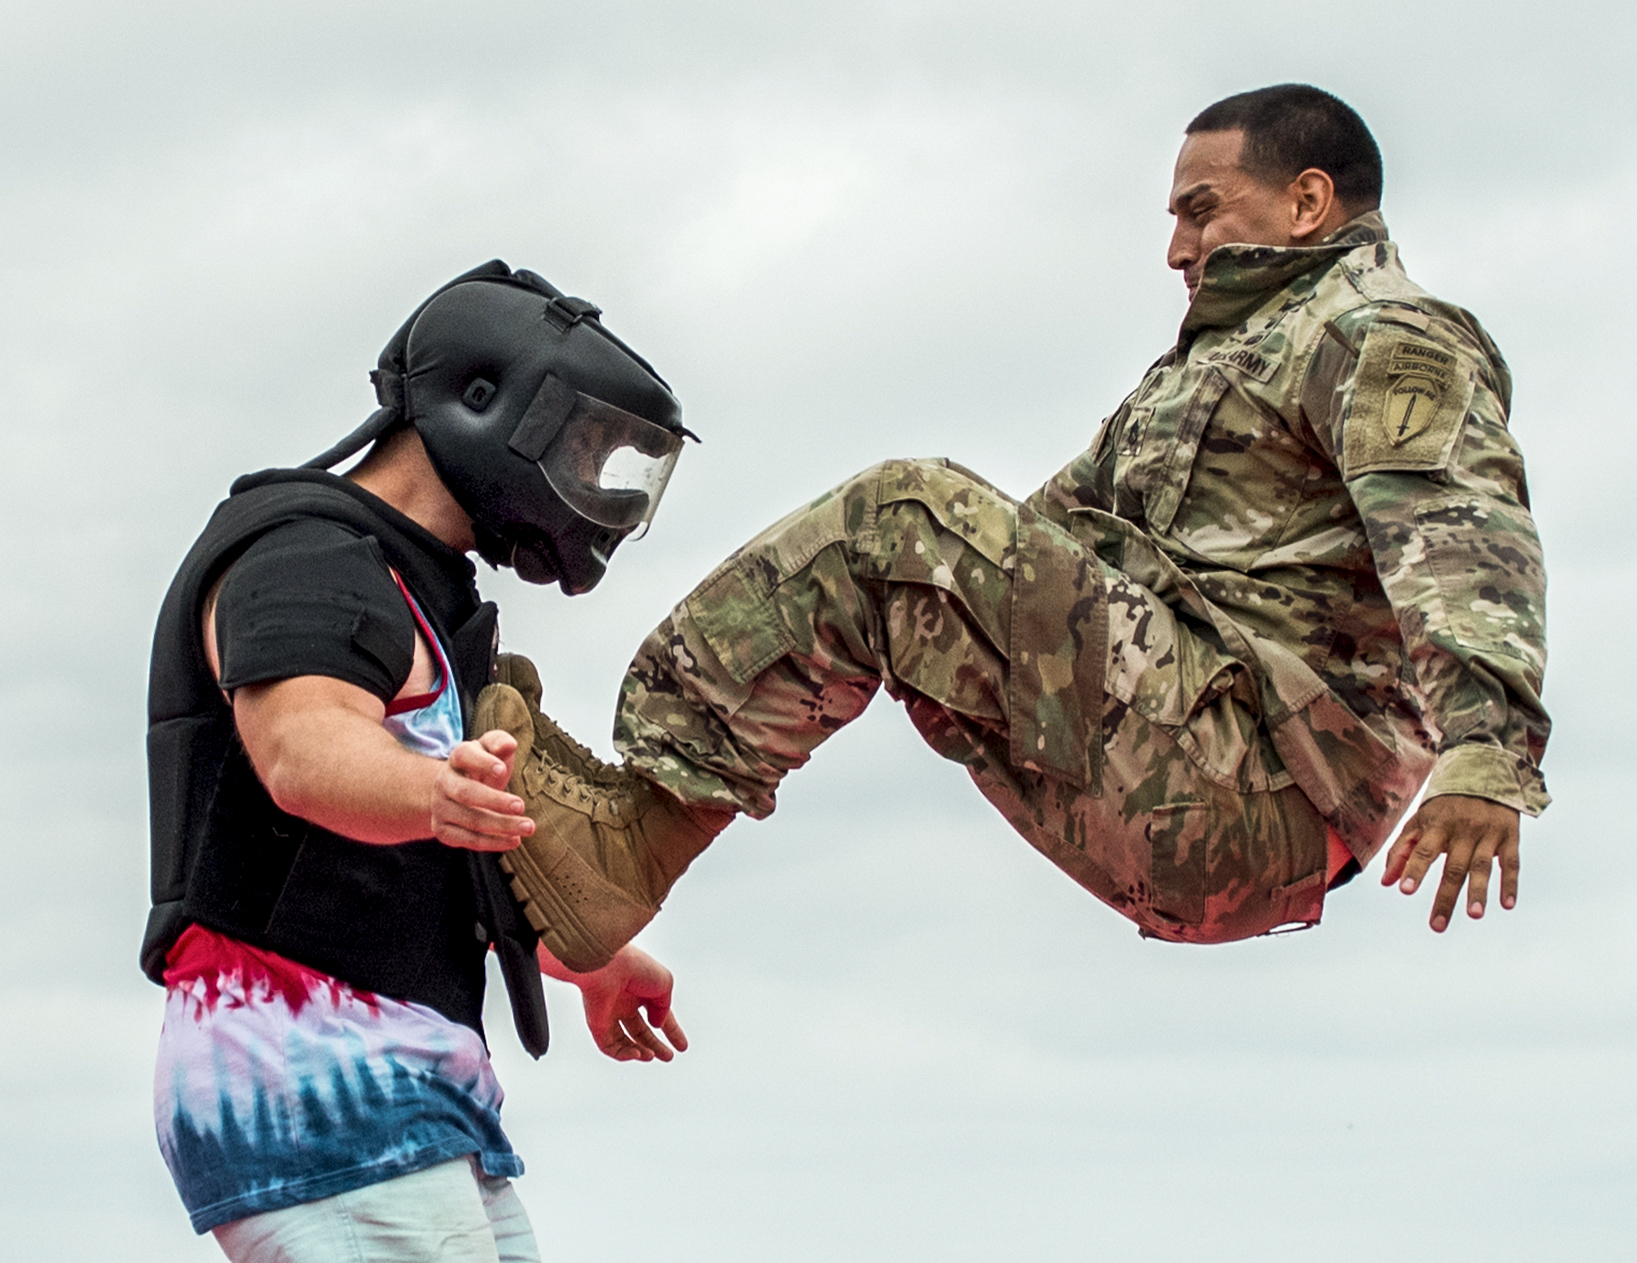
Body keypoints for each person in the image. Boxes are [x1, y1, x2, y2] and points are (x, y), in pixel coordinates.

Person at [483, 82, 1551, 975]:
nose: (1176, 248)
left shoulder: (1381, 332)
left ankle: (631, 845)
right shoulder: (1215, 363)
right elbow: (1049, 539)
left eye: (1201, 208)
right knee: (908, 556)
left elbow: (1458, 527)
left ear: (1307, 200)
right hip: (1185, 763)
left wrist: (1485, 753)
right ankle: (625, 832)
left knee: (900, 517)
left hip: (1252, 780)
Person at [142, 262, 697, 1260]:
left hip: (401, 1093)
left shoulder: (416, 594)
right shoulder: (306, 556)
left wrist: (591, 961)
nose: (596, 491)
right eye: (583, 447)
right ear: (484, 403)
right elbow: (303, 745)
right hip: (315, 1089)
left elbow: (417, 865)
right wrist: (429, 790)